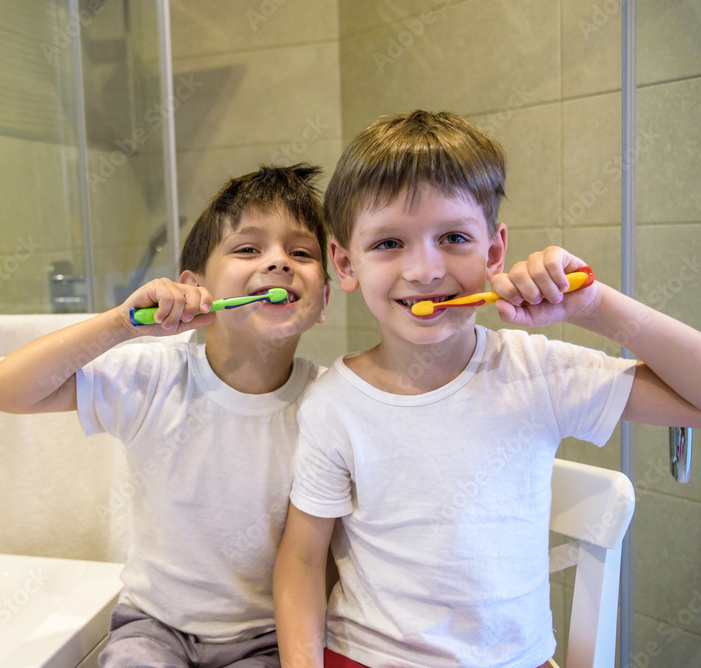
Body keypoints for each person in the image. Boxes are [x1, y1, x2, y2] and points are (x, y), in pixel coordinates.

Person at [272, 110, 701, 668]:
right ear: (345, 263)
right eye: (389, 243)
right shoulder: (334, 404)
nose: (425, 270)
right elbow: (303, 562)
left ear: (494, 253)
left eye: (453, 237)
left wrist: (594, 306)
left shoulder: (536, 373)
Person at [0, 163, 332, 668]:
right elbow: (6, 390)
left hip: (267, 637)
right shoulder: (154, 377)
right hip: (154, 626)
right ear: (195, 288)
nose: (279, 262)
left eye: (301, 253)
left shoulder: (330, 402)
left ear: (323, 299)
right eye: (248, 248)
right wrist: (121, 324)